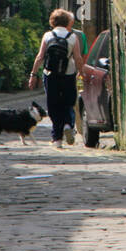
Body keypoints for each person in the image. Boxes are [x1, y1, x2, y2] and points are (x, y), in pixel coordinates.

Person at [27, 9, 85, 147]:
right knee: (68, 103)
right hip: (68, 75)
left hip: (50, 75)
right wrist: (81, 72)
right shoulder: (72, 37)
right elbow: (78, 58)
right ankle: (68, 125)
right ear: (67, 22)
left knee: (53, 105)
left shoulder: (48, 35)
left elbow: (40, 57)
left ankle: (57, 139)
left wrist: (33, 74)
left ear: (52, 21)